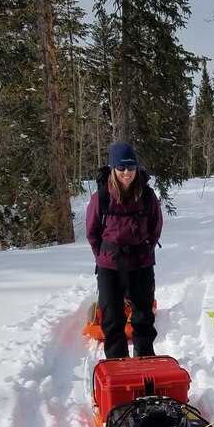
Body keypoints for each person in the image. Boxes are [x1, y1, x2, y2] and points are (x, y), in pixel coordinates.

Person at [86, 141, 163, 358]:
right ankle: (117, 364)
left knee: (143, 317)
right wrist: (103, 256)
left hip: (141, 263)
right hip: (110, 265)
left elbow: (155, 226)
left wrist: (146, 249)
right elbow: (92, 233)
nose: (126, 173)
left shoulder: (147, 196)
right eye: (121, 168)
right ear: (113, 169)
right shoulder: (101, 198)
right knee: (112, 319)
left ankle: (145, 357)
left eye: (130, 167)